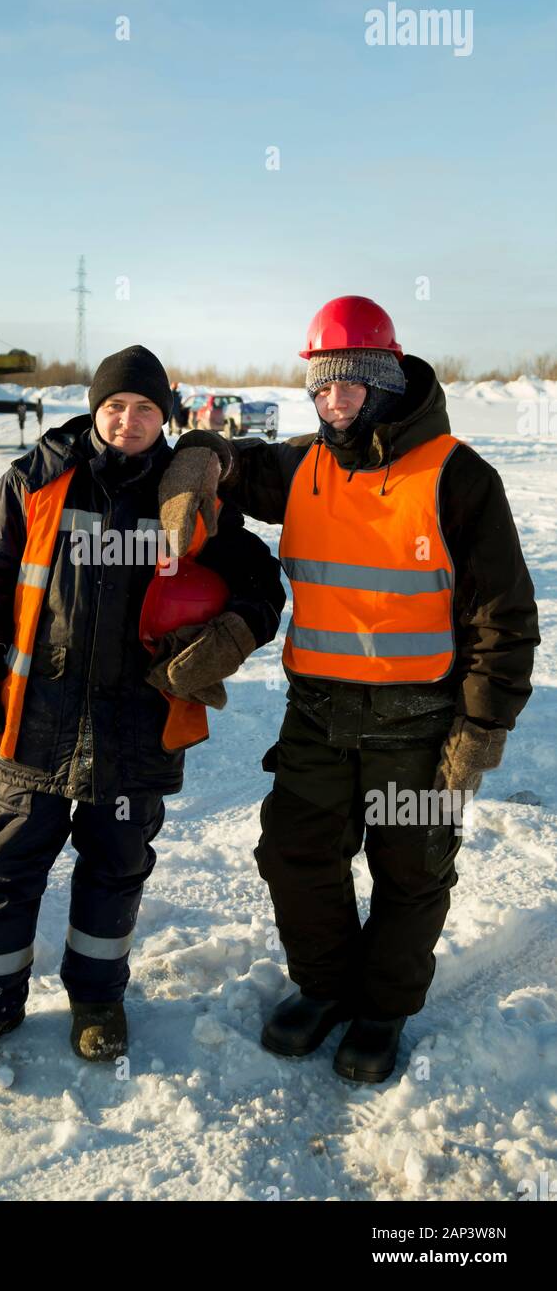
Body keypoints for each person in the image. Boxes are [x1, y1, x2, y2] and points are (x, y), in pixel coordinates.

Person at [158, 296, 539, 1083]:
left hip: (420, 724)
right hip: (318, 718)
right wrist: (200, 454)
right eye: (321, 389)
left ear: (385, 381)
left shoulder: (459, 477)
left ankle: (383, 1008)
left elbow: (506, 617)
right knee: (295, 854)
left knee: (411, 867)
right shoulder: (304, 464)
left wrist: (481, 728)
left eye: (347, 388)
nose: (332, 403)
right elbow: (234, 460)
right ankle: (326, 988)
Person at [0, 345, 285, 1075]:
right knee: (4, 866)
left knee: (116, 866)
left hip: (138, 723)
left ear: (166, 417)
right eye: (116, 406)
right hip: (33, 719)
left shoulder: (186, 496)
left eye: (146, 409)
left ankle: (97, 999)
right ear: (96, 409)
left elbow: (260, 581)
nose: (129, 420)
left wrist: (237, 631)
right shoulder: (39, 477)